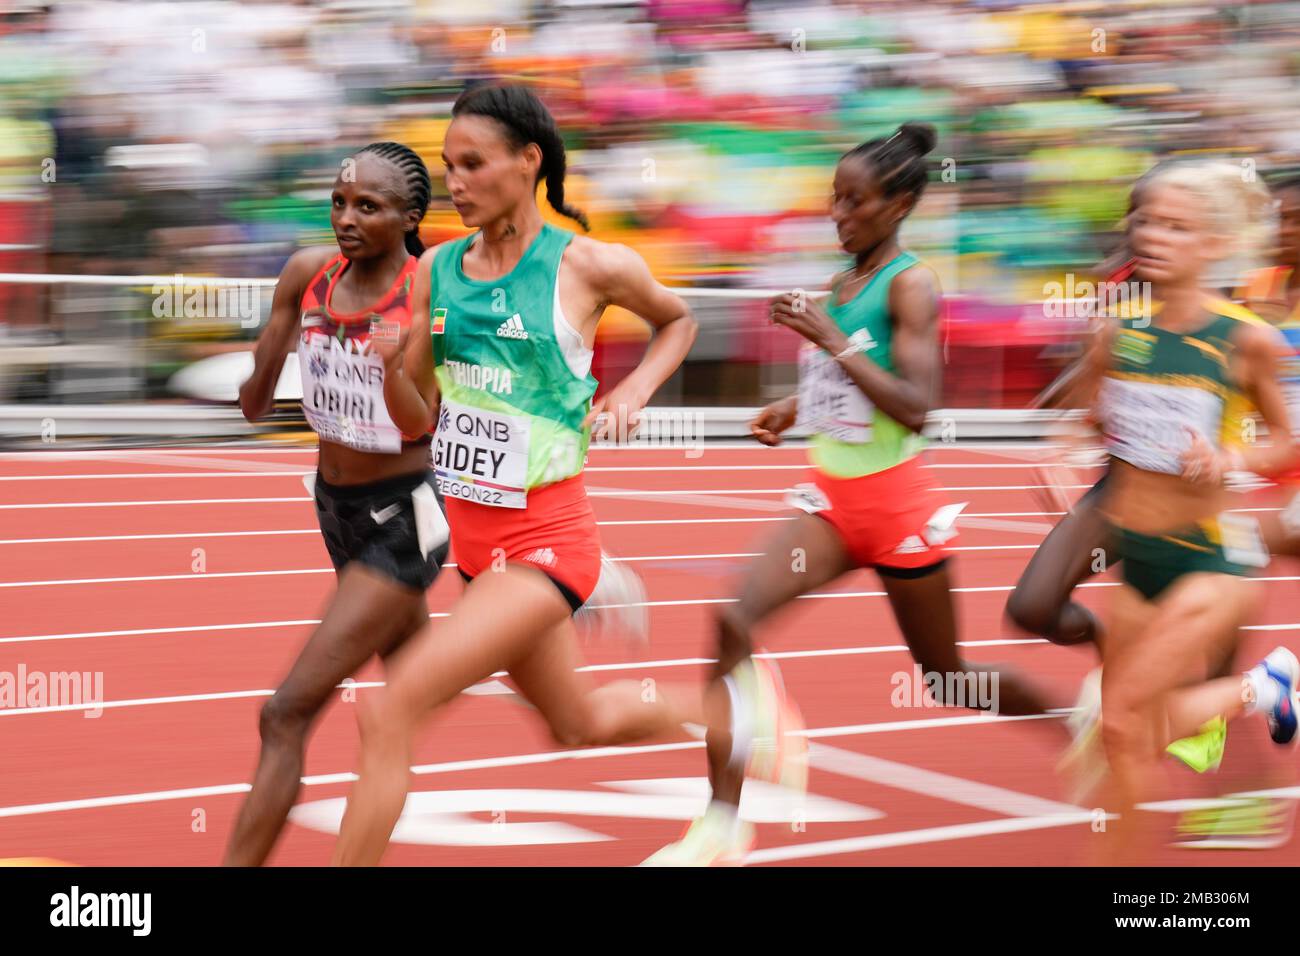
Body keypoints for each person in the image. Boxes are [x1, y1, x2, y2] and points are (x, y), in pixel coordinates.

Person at [644, 123, 1061, 866]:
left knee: (949, 678)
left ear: (898, 205)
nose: (837, 213)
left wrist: (826, 336)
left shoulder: (912, 282)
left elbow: (914, 405)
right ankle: (721, 821)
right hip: (832, 502)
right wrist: (791, 409)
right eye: (834, 198)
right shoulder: (843, 285)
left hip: (898, 508)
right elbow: (847, 391)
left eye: (854, 200)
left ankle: (1077, 714)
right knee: (729, 620)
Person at [328, 84, 703, 866]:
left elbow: (677, 319)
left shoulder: (589, 264)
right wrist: (396, 365)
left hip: (546, 546)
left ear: (528, 161)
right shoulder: (435, 270)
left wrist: (634, 390)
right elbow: (415, 415)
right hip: (473, 547)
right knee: (578, 725)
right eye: (447, 167)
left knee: (388, 713)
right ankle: (732, 712)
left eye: (472, 165)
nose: (455, 183)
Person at [225, 142, 450, 866]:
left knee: (285, 712)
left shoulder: (427, 294)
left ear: (409, 216)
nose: (347, 218)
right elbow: (256, 408)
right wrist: (275, 347)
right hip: (335, 510)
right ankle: (535, 624)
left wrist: (390, 359)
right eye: (339, 201)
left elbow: (422, 424)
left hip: (403, 517)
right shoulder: (306, 274)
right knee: (423, 692)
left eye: (369, 207)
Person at [1070, 160, 1297, 862]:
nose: (1155, 235)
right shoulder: (1118, 331)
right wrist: (1061, 454)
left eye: (1177, 226)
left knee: (1120, 725)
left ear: (1213, 245)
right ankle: (1264, 687)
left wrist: (1231, 460)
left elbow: (1289, 439)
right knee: (1125, 734)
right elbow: (1088, 421)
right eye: (1147, 221)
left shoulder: (1246, 339)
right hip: (1139, 560)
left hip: (1211, 560)